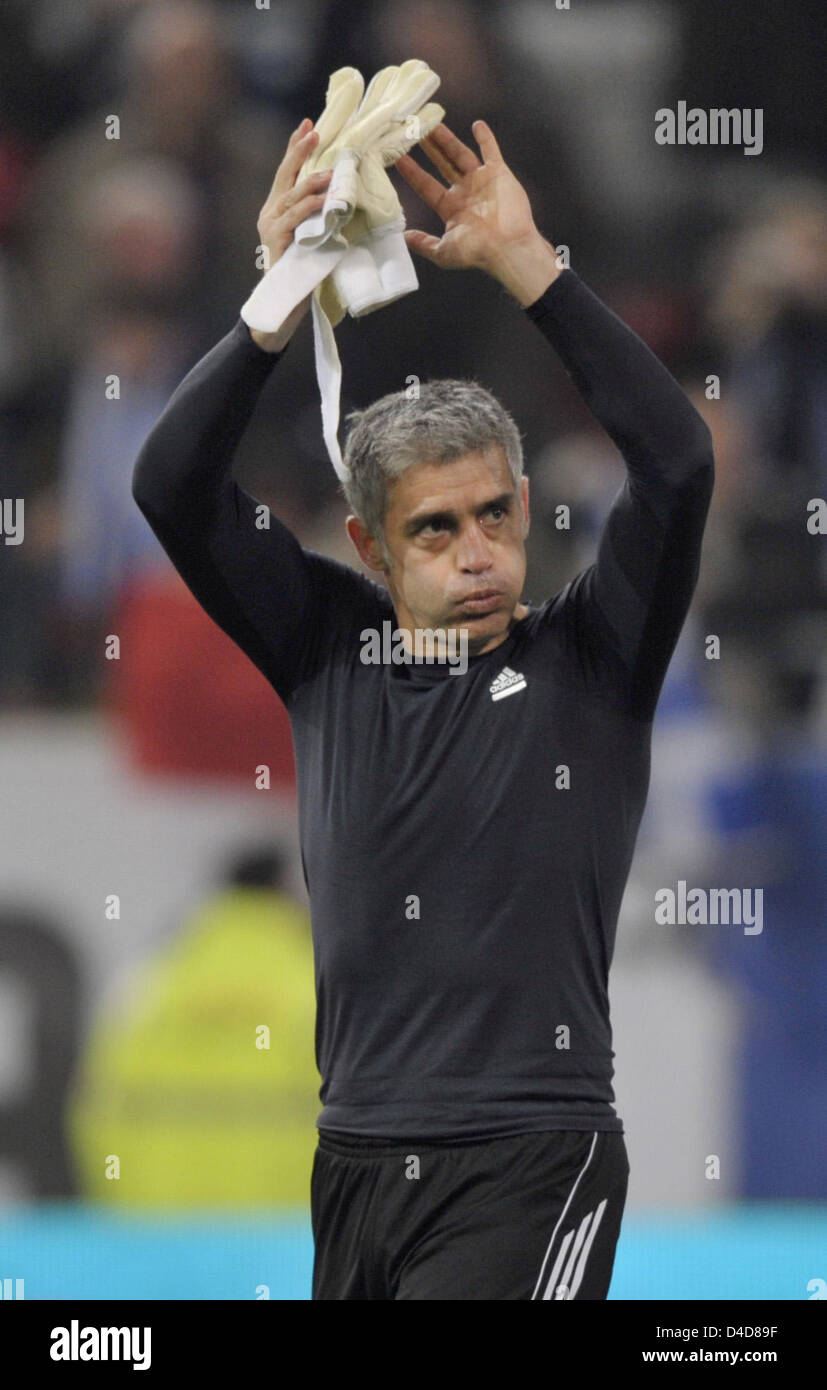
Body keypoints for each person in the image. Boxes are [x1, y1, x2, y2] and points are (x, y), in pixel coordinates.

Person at [131, 116, 715, 1299]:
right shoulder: (322, 646)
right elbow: (171, 483)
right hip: (351, 1161)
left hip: (530, 1159)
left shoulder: (593, 657)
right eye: (434, 529)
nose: (477, 552)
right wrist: (280, 288)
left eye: (494, 514)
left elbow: (676, 464)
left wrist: (529, 269)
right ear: (369, 547)